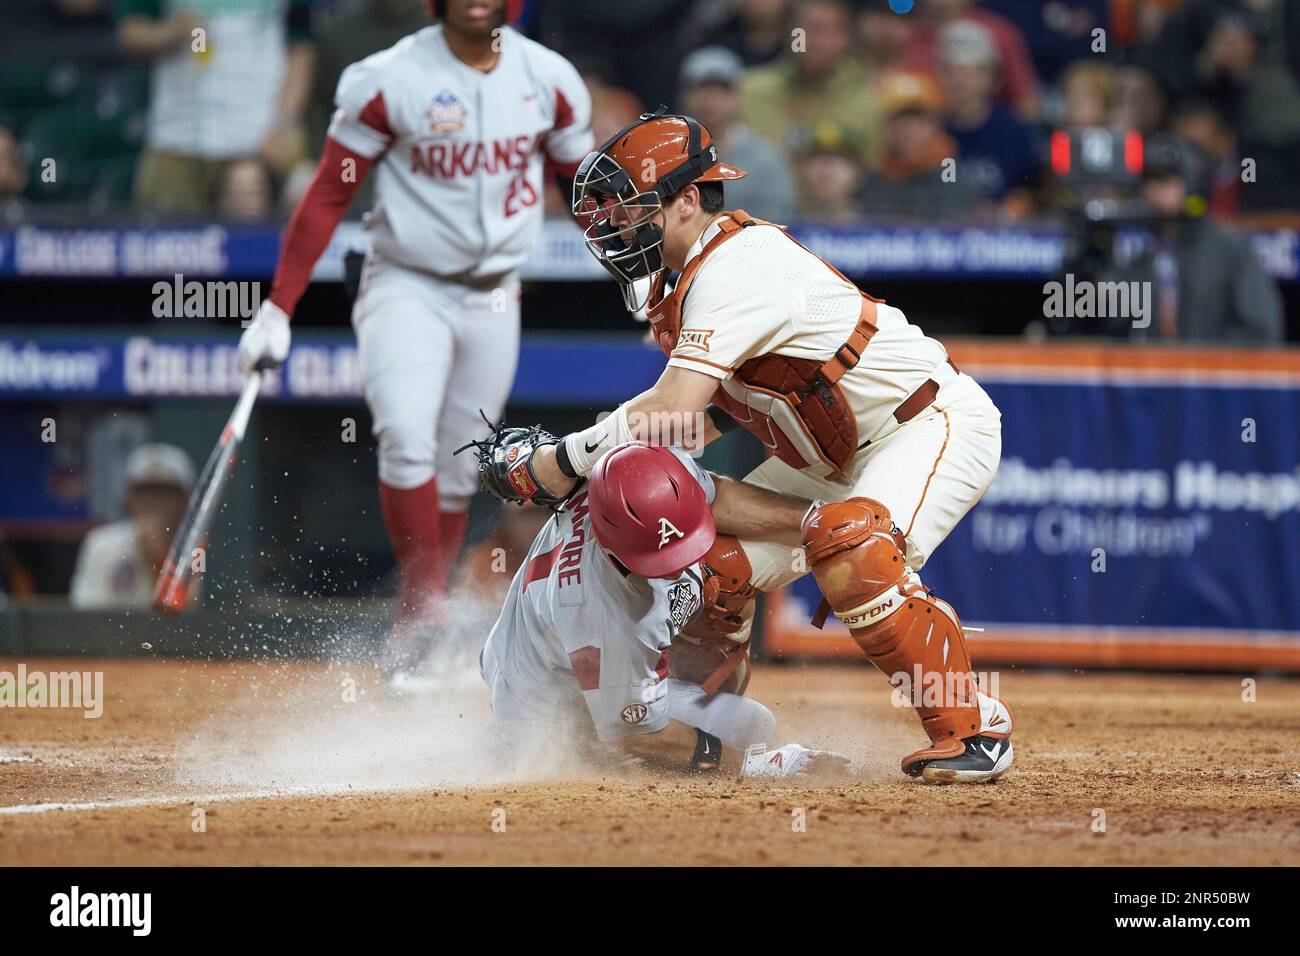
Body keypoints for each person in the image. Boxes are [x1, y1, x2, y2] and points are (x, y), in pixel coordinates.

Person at [502, 111, 1016, 783]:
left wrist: (561, 462)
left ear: (688, 200)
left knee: (851, 543)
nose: (615, 226)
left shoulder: (734, 266)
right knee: (707, 562)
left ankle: (972, 729)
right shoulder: (680, 284)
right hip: (836, 458)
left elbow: (671, 407)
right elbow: (702, 419)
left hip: (927, 423)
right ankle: (705, 723)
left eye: (631, 208)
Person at [236, 0, 594, 678]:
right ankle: (424, 611)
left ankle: (423, 614)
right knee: (406, 435)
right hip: (406, 281)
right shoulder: (387, 77)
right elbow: (328, 194)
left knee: (464, 464)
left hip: (495, 291)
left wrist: (643, 279)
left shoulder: (550, 78)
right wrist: (279, 306)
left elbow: (585, 192)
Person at [480, 441, 845, 778]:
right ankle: (590, 757)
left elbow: (716, 497)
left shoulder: (634, 470)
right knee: (751, 727)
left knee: (710, 574)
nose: (675, 563)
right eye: (658, 557)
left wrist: (811, 517)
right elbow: (635, 736)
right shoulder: (607, 618)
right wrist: (754, 764)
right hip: (549, 712)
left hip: (526, 644)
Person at [117, 0, 316, 215]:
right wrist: (171, 32)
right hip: (177, 134)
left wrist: (284, 122)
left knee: (298, 197)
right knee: (165, 239)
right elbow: (129, 31)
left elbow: (301, 46)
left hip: (254, 136)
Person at [1092, 134, 1284, 343]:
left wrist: (1207, 363)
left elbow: (1262, 331)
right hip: (1151, 373)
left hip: (1216, 372)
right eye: (1149, 180)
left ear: (1193, 181)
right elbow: (1109, 330)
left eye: (1166, 179)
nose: (1155, 190)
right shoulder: (1141, 254)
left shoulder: (1229, 248)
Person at [738, 0, 883, 171]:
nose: (812, 40)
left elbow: (871, 178)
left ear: (845, 39)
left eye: (824, 31)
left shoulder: (868, 107)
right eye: (803, 30)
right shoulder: (750, 91)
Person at [677, 46, 797, 223]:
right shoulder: (668, 155)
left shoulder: (765, 159)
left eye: (721, 90)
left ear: (737, 98)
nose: (711, 100)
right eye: (702, 89)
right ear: (685, 96)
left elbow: (776, 223)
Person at [70, 444, 195, 610]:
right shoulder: (102, 544)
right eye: (145, 491)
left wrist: (158, 558)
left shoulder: (196, 548)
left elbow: (192, 616)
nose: (154, 500)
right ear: (129, 497)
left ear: (185, 499)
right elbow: (87, 615)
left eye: (166, 492)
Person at [858, 70, 985, 221]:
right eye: (900, 121)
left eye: (919, 122)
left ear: (935, 126)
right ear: (887, 126)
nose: (908, 130)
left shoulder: (948, 168)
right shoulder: (876, 172)